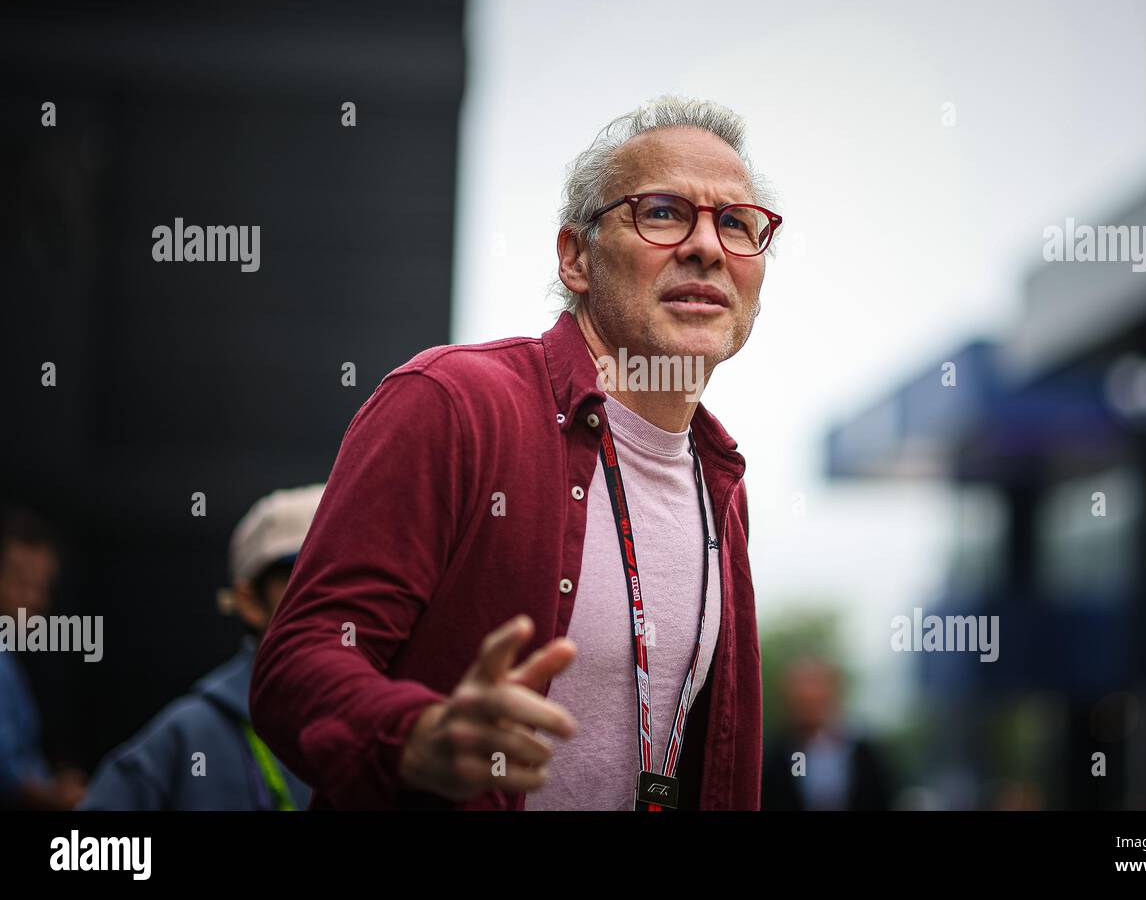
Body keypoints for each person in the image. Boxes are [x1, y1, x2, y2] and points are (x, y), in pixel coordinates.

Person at [251, 94, 781, 810]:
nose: (706, 247)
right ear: (575, 258)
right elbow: (295, 666)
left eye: (736, 224)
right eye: (661, 212)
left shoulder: (722, 484)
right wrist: (415, 735)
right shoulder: (452, 402)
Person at [78, 486, 322, 810]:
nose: (335, 597)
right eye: (307, 577)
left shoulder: (396, 721)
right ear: (250, 601)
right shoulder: (191, 736)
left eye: (355, 575)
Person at [0, 506, 87, 809]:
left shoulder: (8, 658)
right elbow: (8, 776)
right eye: (23, 583)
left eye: (43, 587)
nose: (35, 599)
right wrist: (56, 796)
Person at [761, 658, 895, 810]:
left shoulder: (865, 756)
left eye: (817, 690)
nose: (810, 704)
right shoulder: (774, 758)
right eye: (803, 700)